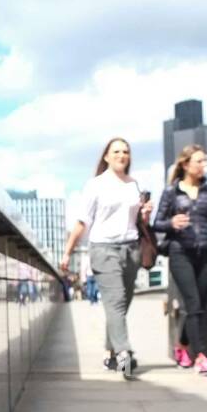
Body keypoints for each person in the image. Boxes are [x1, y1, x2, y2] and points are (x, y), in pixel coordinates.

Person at [61, 138, 153, 379]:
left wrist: (146, 214)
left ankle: (110, 353)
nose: (122, 155)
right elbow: (82, 221)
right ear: (106, 157)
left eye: (126, 151)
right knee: (116, 301)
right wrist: (67, 252)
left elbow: (139, 222)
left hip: (131, 249)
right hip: (103, 249)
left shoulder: (134, 185)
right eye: (116, 151)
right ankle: (124, 355)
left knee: (121, 305)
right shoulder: (95, 185)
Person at [155, 145, 207, 376]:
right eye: (199, 161)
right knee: (193, 305)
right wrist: (171, 223)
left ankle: (182, 345)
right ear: (186, 164)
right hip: (180, 253)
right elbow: (157, 223)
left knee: (196, 307)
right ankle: (201, 357)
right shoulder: (172, 193)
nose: (203, 165)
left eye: (204, 161)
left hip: (205, 253)